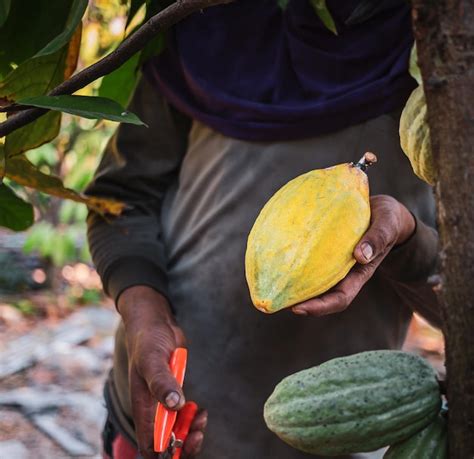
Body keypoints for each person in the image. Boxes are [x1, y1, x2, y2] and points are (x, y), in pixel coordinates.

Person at [86, 1, 441, 458]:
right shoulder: (204, 20)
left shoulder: (442, 61)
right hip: (163, 416)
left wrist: (409, 243)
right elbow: (120, 198)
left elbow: (457, 301)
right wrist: (142, 312)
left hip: (329, 432)